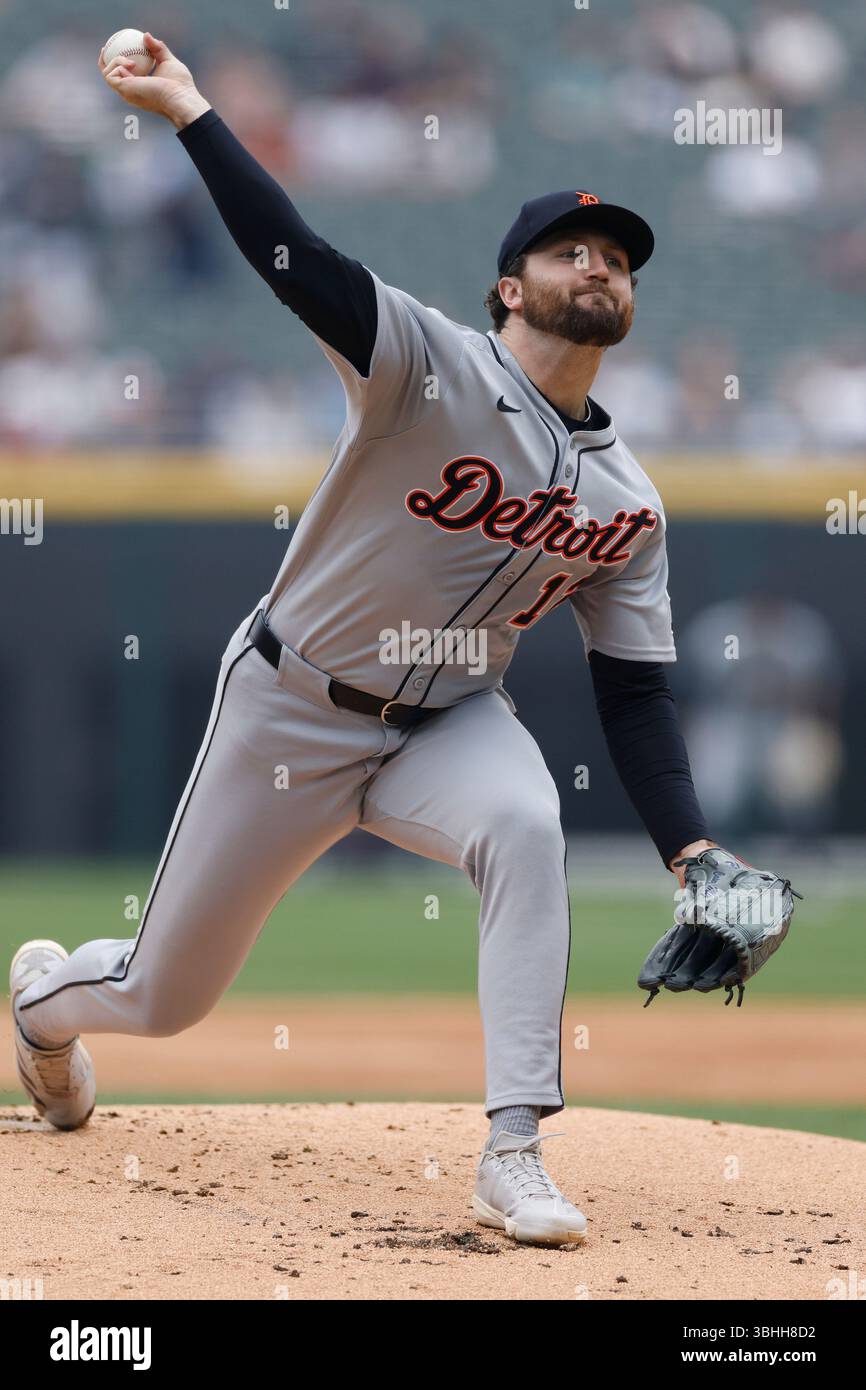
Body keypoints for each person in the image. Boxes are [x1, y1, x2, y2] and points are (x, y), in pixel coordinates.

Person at [10, 33, 720, 1248]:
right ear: (512, 287)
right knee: (163, 995)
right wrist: (189, 110)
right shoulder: (424, 365)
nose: (599, 267)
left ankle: (513, 1150)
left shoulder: (628, 503)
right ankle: (39, 1007)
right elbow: (299, 262)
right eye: (571, 250)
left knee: (523, 822)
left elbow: (636, 696)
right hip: (288, 706)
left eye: (618, 261)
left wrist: (690, 848)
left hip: (447, 720)